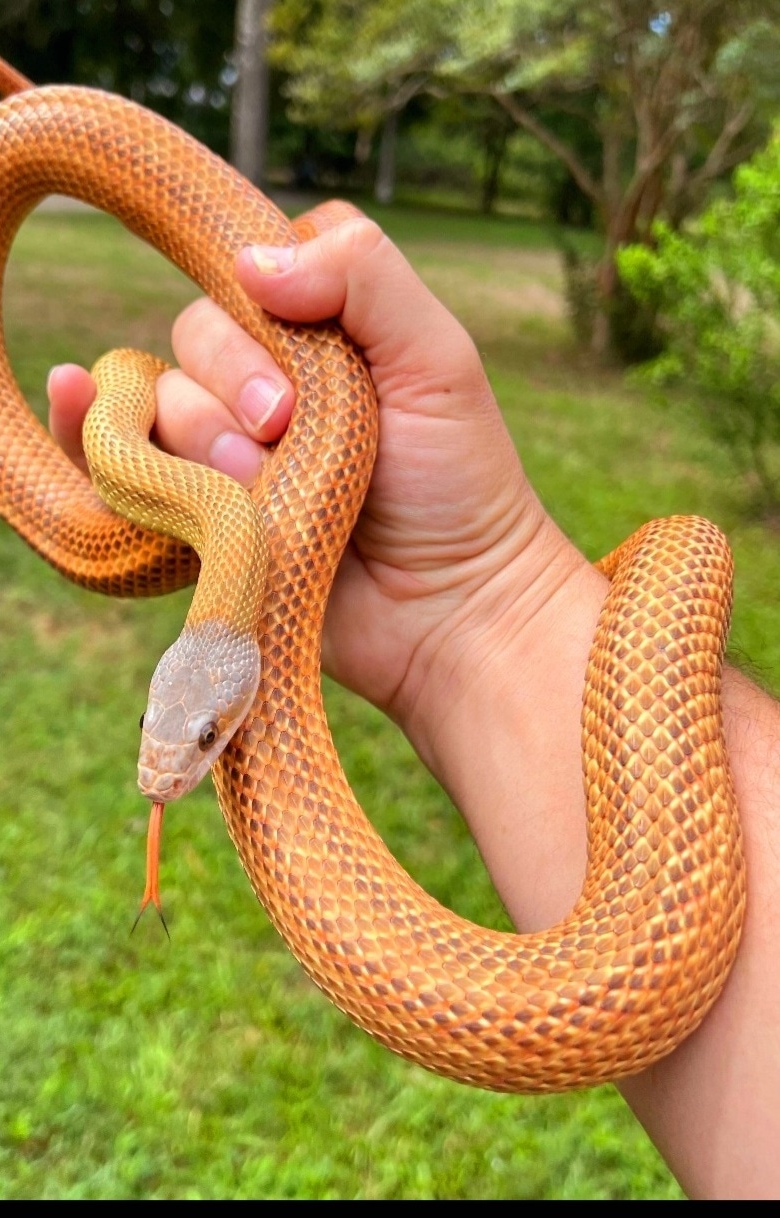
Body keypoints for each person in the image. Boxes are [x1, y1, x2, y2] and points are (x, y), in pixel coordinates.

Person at [45, 217, 780, 1199]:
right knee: (677, 549)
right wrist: (474, 610)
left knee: (681, 548)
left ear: (231, 685)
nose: (174, 769)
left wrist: (481, 588)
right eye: (171, 736)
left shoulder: (225, 528)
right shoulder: (222, 550)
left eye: (207, 737)